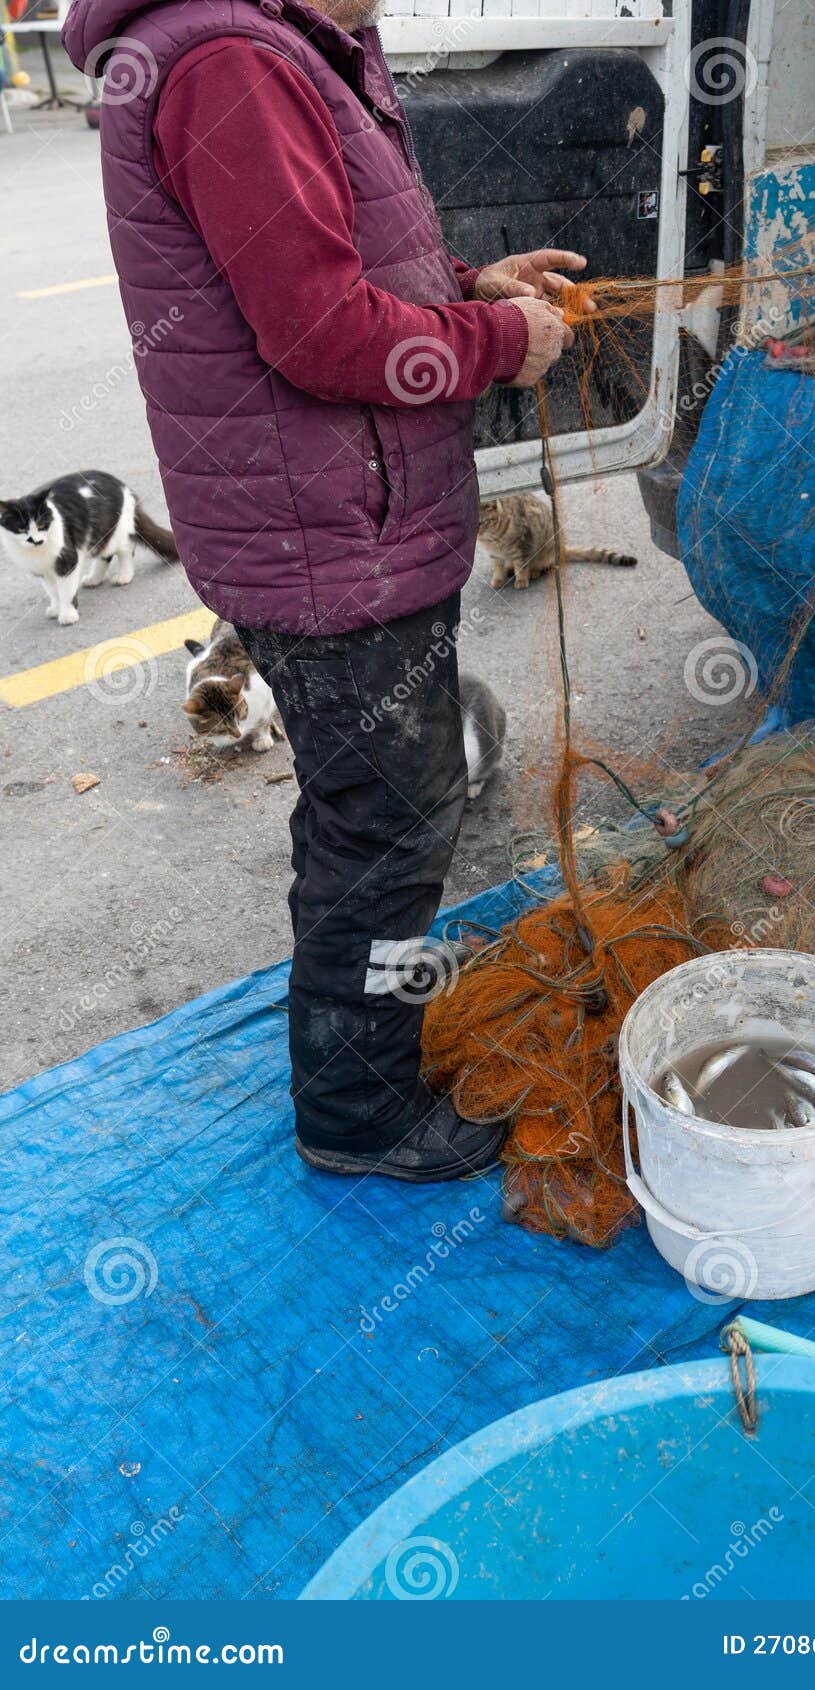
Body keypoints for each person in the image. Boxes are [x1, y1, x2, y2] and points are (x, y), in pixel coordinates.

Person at [63, 0, 585, 1181]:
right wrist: (497, 340)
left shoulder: (292, 43)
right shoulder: (232, 64)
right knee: (390, 827)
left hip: (348, 517)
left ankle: (360, 1069)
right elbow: (317, 327)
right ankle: (361, 1113)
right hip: (327, 535)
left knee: (378, 813)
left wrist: (469, 283)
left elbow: (345, 256)